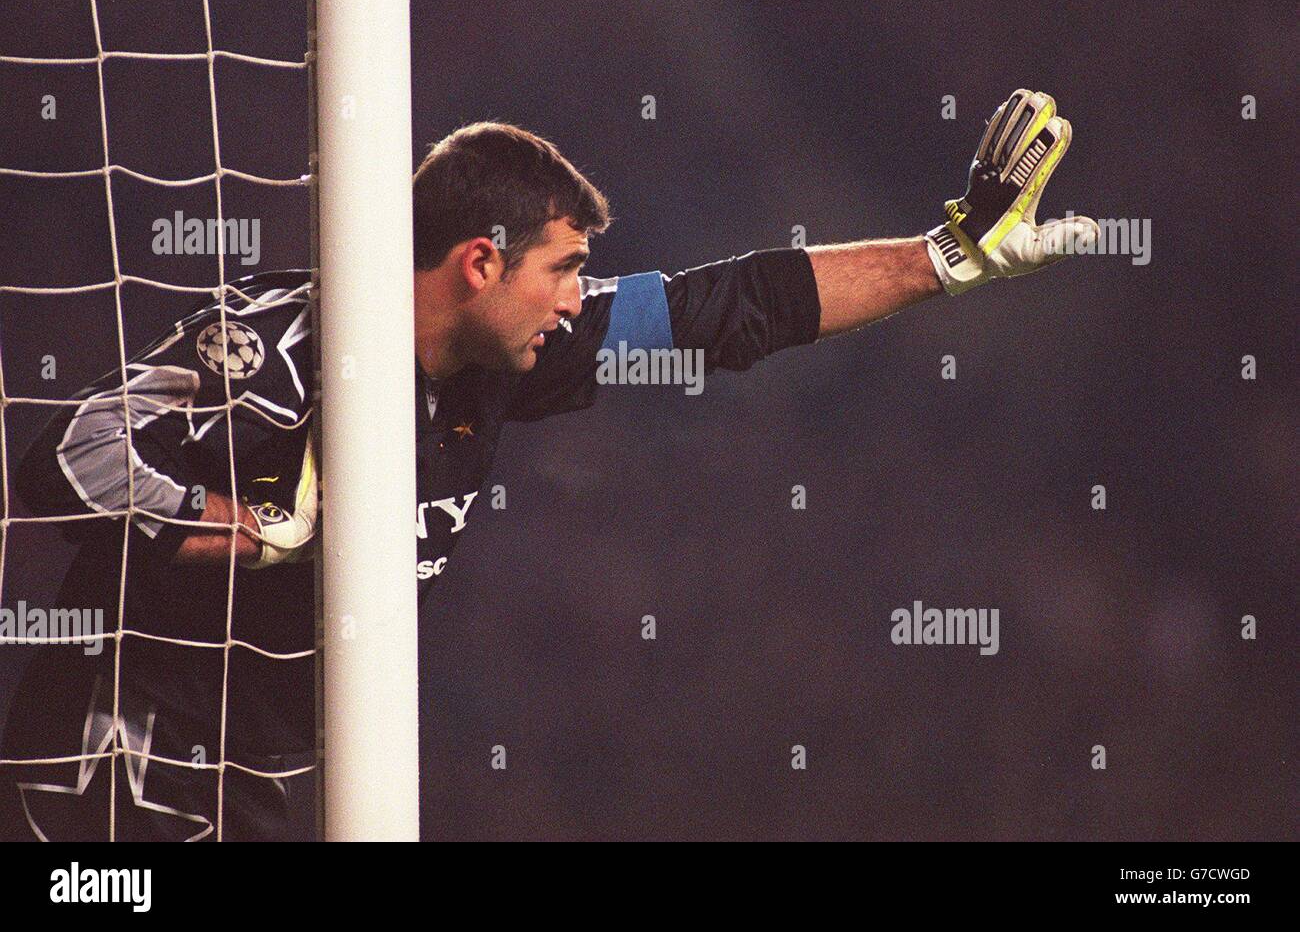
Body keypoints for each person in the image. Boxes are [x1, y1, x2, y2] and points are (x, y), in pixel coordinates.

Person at [0, 89, 1097, 840]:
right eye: (565, 268)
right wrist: (248, 518)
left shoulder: (506, 362)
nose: (579, 297)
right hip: (107, 776)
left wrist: (940, 258)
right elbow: (67, 451)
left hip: (272, 787)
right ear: (482, 260)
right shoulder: (278, 351)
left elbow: (725, 308)